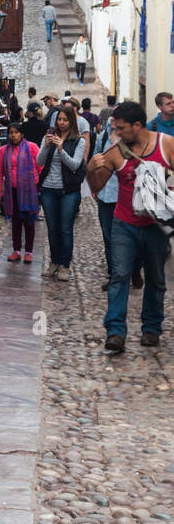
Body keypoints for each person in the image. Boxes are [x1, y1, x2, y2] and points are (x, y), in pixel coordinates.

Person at [88, 101, 174, 351]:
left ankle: (151, 328)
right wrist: (91, 171)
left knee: (156, 278)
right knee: (120, 276)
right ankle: (115, 332)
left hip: (155, 225)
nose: (118, 133)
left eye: (122, 129)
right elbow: (96, 187)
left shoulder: (165, 144)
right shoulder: (116, 151)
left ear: (137, 126)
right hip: (124, 223)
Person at [35, 104, 90, 281]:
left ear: (71, 121)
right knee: (52, 229)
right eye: (59, 119)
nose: (62, 123)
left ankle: (65, 265)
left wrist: (61, 150)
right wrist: (45, 145)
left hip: (68, 191)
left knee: (65, 229)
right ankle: (54, 262)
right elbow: (39, 161)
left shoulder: (79, 141)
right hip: (49, 189)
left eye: (65, 120)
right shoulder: (51, 137)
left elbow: (75, 164)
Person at [91, 120, 144, 292]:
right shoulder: (104, 135)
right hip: (106, 195)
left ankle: (135, 270)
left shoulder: (134, 138)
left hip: (126, 195)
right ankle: (114, 274)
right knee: (109, 237)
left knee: (131, 236)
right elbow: (96, 158)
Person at [0, 122, 39, 263]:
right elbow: (0, 172)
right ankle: (16, 250)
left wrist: (37, 183)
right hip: (11, 191)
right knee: (15, 221)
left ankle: (28, 251)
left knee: (29, 221)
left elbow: (40, 165)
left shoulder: (32, 148)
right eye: (10, 133)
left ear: (22, 134)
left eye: (16, 132)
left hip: (28, 191)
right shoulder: (4, 150)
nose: (13, 136)